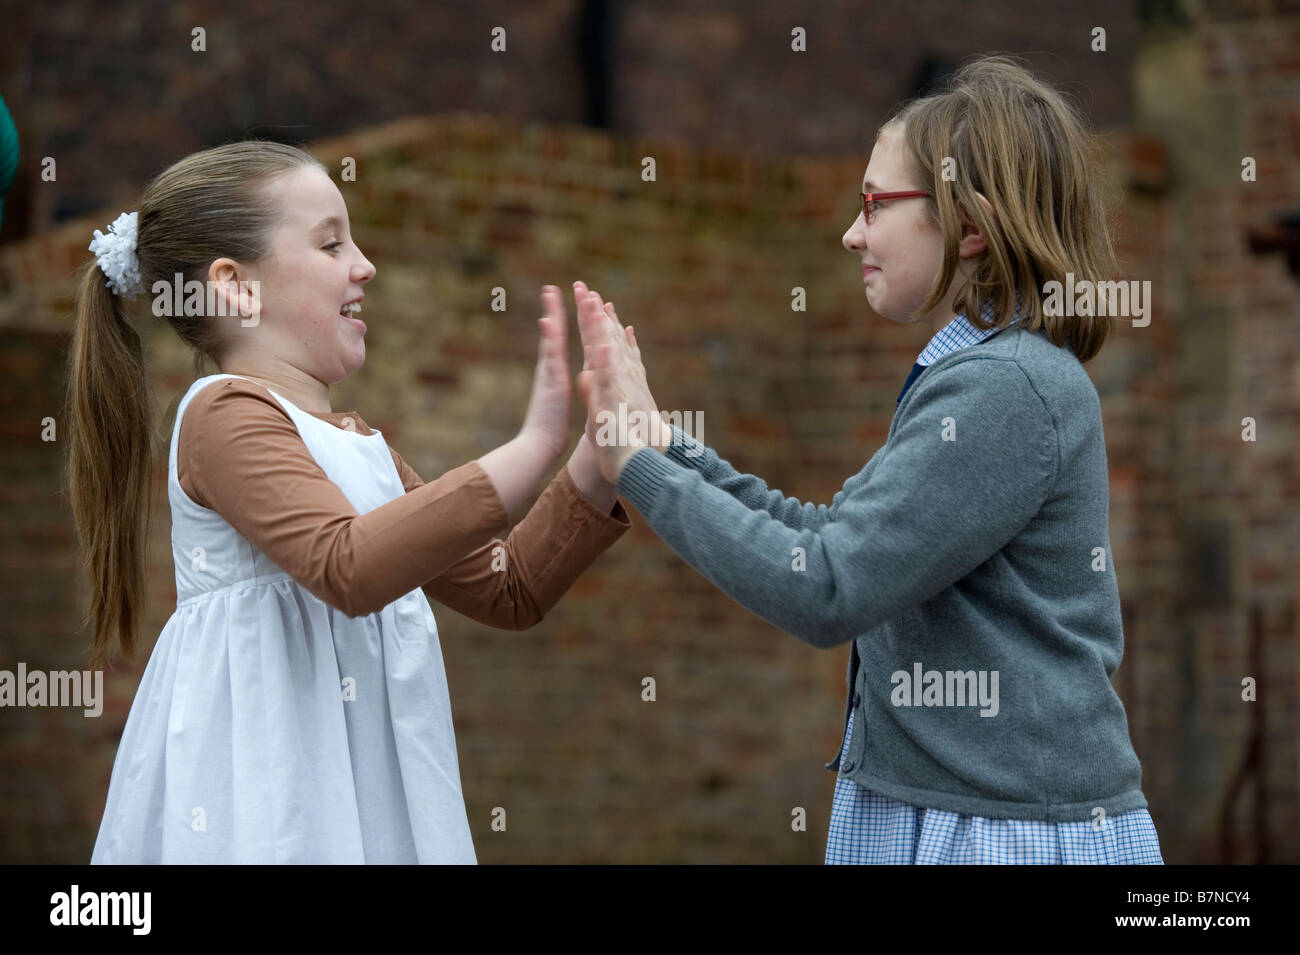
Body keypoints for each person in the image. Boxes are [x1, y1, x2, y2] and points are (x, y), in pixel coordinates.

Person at [573, 54, 1165, 864]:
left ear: (968, 226)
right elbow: (828, 537)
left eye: (875, 204)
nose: (851, 231)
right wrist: (662, 442)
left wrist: (633, 466)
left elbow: (824, 585)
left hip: (1000, 835)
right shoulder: (984, 373)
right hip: (944, 812)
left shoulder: (1006, 390)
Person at [69, 140, 631, 863]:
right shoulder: (220, 415)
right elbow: (348, 566)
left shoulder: (362, 448)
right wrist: (528, 445)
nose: (364, 264)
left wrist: (600, 450)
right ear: (236, 285)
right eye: (331, 243)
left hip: (369, 804)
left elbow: (508, 586)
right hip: (266, 802)